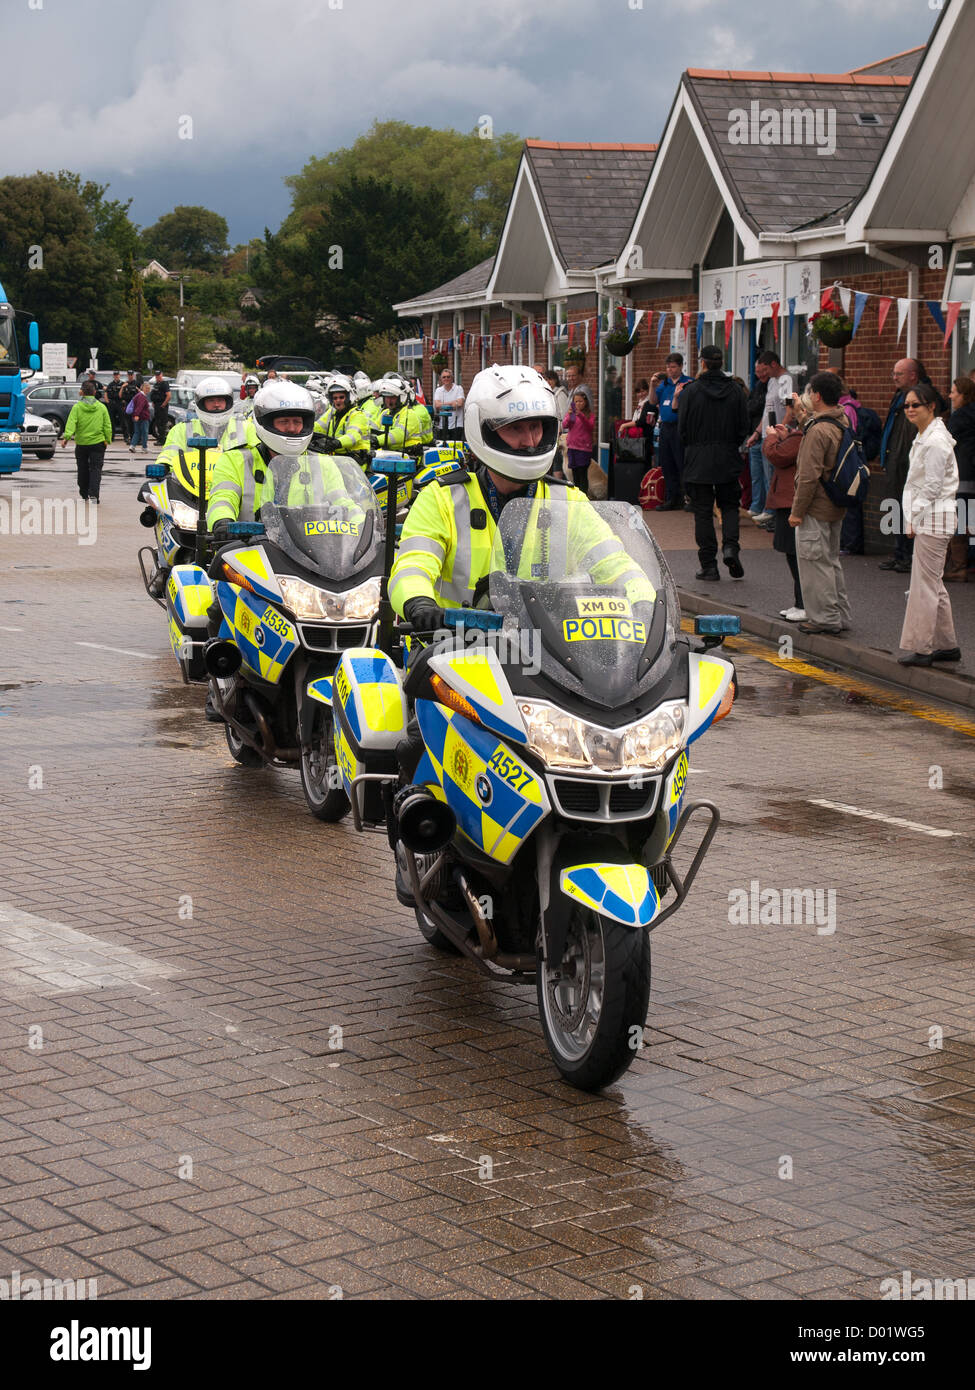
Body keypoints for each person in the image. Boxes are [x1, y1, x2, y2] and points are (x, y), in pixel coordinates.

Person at [389, 363, 654, 628]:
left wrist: (645, 603)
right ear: (483, 430)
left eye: (536, 427)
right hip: (455, 649)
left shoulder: (566, 501)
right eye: (515, 428)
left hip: (550, 651)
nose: (530, 441)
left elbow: (614, 562)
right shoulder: (442, 498)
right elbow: (412, 566)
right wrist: (419, 603)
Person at [897, 382, 960, 666]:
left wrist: (913, 518)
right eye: (907, 405)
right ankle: (947, 646)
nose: (910, 409)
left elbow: (933, 486)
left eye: (916, 405)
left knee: (924, 585)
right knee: (933, 583)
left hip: (933, 519)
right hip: (933, 518)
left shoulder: (934, 441)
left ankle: (923, 648)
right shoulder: (927, 435)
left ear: (931, 406)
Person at [677, 344, 749, 580]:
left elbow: (682, 430)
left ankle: (709, 565)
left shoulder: (690, 391)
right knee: (729, 506)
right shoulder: (736, 391)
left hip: (698, 459)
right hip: (727, 456)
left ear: (703, 363)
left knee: (703, 512)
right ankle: (730, 548)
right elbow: (743, 428)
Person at [788, 372, 852, 636]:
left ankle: (824, 618)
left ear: (816, 395)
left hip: (815, 506)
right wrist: (802, 415)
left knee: (816, 563)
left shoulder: (818, 431)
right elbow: (815, 427)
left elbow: (808, 477)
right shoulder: (840, 420)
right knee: (831, 560)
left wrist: (796, 512)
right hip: (835, 504)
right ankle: (840, 614)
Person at [763, 397, 808, 622]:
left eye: (790, 408)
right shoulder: (798, 435)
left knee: (796, 555)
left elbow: (777, 455)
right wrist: (783, 437)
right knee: (792, 554)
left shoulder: (802, 435)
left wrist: (772, 438)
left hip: (791, 501)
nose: (787, 412)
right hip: (789, 500)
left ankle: (804, 604)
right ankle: (799, 603)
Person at [879, 358, 921, 573]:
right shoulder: (899, 396)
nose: (894, 378)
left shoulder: (918, 397)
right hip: (895, 461)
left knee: (906, 512)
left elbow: (908, 436)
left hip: (905, 464)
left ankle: (907, 556)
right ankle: (899, 553)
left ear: (913, 375)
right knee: (896, 509)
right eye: (894, 373)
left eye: (899, 374)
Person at [648, 353, 692, 509]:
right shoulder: (664, 385)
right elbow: (653, 401)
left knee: (682, 462)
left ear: (680, 367)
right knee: (667, 462)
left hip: (680, 426)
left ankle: (689, 498)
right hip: (665, 427)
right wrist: (652, 386)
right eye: (668, 367)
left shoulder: (688, 383)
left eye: (673, 367)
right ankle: (672, 498)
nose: (670, 370)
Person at [60, 380, 112, 503]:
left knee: (82, 469)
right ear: (94, 392)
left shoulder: (77, 407)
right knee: (96, 470)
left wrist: (66, 438)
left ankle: (84, 493)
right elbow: (107, 425)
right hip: (98, 443)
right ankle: (94, 495)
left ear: (81, 392)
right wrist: (107, 440)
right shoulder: (101, 407)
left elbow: (71, 423)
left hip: (82, 444)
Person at [945, 376, 975, 582]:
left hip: (962, 474)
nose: (950, 395)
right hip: (972, 475)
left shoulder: (960, 417)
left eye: (954, 392)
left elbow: (947, 442)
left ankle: (958, 567)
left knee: (961, 521)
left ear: (964, 395)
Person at [162, 377, 236, 453]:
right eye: (211, 400)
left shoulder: (244, 428)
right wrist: (164, 463)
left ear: (228, 402)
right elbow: (169, 453)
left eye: (220, 400)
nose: (216, 404)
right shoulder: (182, 429)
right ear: (202, 404)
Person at [312, 373, 371, 466]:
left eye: (341, 397)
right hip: (339, 460)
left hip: (356, 463)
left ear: (349, 397)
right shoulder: (332, 413)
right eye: (335, 398)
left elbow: (353, 436)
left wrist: (337, 443)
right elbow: (318, 426)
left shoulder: (358, 414)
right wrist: (304, 430)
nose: (338, 401)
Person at [371, 373, 433, 455]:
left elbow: (399, 434)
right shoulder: (385, 413)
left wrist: (376, 440)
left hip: (409, 456)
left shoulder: (409, 414)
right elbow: (373, 427)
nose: (388, 401)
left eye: (392, 397)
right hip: (391, 454)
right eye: (386, 397)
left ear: (401, 397)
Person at [741, 362, 769, 517]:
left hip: (766, 435)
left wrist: (753, 405)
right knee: (755, 476)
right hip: (754, 435)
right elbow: (750, 406)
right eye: (757, 372)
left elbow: (757, 407)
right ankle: (756, 506)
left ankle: (768, 509)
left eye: (763, 371)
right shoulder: (758, 386)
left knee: (767, 476)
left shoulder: (772, 385)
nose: (760, 375)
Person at [563, 387, 596, 495]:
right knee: (575, 474)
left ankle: (583, 496)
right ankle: (577, 496)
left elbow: (590, 427)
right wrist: (569, 416)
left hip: (584, 449)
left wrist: (581, 415)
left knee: (583, 474)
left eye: (580, 401)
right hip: (573, 448)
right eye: (576, 401)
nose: (578, 404)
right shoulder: (572, 414)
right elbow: (565, 425)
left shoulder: (589, 415)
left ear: (585, 402)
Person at [433, 368, 465, 442]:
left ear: (452, 378)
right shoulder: (438, 390)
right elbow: (437, 405)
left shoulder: (458, 389)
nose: (446, 379)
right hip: (443, 424)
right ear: (441, 379)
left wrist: (443, 404)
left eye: (448, 377)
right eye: (444, 377)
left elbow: (460, 403)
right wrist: (453, 403)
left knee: (456, 447)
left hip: (457, 424)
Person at [148, 371, 171, 445]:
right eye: (156, 376)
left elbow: (168, 395)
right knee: (158, 423)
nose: (158, 377)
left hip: (162, 406)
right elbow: (153, 394)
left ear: (162, 375)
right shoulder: (156, 385)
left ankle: (162, 440)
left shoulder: (165, 384)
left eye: (159, 375)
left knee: (162, 423)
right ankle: (159, 439)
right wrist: (153, 403)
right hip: (157, 405)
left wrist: (163, 404)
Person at [128, 380, 151, 452]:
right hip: (142, 417)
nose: (148, 389)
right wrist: (137, 415)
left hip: (136, 417)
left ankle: (132, 446)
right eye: (147, 388)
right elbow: (139, 407)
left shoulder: (137, 395)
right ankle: (144, 447)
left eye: (149, 388)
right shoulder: (142, 396)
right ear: (143, 388)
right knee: (144, 432)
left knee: (137, 432)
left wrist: (135, 415)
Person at [120, 371, 139, 444]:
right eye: (129, 375)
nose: (130, 376)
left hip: (135, 405)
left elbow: (142, 393)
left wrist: (137, 389)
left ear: (133, 375)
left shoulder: (137, 383)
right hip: (128, 405)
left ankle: (137, 439)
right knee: (129, 423)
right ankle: (131, 438)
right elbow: (120, 396)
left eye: (131, 375)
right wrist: (122, 387)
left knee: (136, 423)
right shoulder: (125, 383)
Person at [105, 370, 124, 440]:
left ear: (119, 375)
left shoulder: (123, 384)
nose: (116, 376)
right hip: (112, 403)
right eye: (115, 375)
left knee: (123, 420)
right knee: (111, 420)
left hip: (119, 403)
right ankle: (112, 436)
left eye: (117, 375)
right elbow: (106, 393)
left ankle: (126, 436)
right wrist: (107, 402)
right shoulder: (110, 384)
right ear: (113, 376)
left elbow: (124, 395)